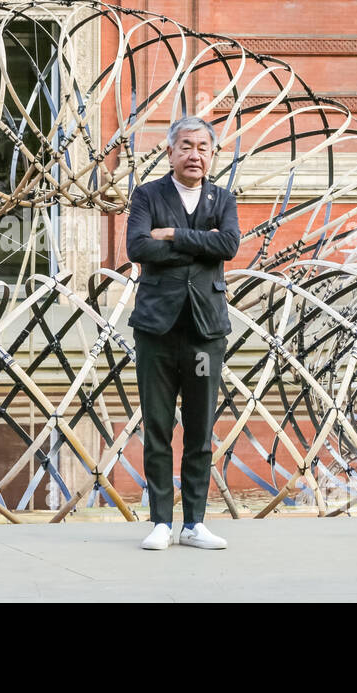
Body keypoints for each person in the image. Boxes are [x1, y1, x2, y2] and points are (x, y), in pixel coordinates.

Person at [125, 115, 240, 550]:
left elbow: (228, 245)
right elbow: (138, 247)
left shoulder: (222, 198)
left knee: (199, 427)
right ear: (170, 152)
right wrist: (199, 244)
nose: (195, 154)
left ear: (212, 155)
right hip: (156, 329)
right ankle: (160, 522)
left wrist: (172, 234)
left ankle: (194, 523)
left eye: (203, 148)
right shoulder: (147, 194)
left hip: (204, 331)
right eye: (186, 146)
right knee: (157, 425)